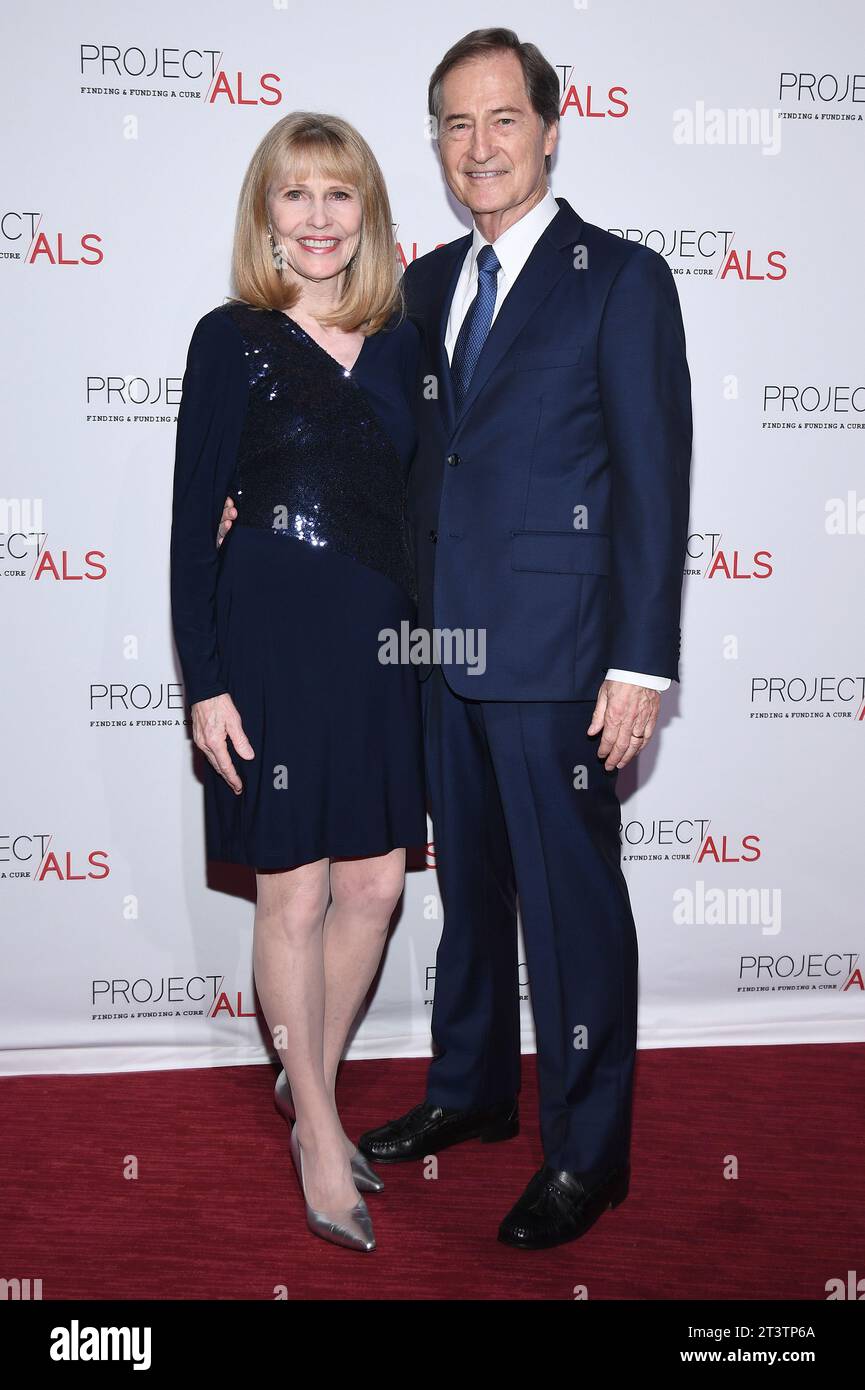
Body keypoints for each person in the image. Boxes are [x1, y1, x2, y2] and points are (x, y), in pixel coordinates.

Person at [217, 30, 692, 1251]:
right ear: (435, 144)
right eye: (454, 125)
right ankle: (472, 1087)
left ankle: (589, 1155)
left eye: (502, 120)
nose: (479, 146)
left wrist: (639, 661)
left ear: (548, 126)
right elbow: (372, 451)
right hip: (429, 654)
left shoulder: (618, 278)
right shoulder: (419, 291)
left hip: (564, 660)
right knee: (469, 897)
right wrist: (250, 496)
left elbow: (652, 479)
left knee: (571, 910)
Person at [169, 111, 427, 1253]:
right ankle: (318, 1131)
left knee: (374, 886)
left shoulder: (408, 340)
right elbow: (190, 527)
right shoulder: (230, 339)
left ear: (366, 212)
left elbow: (435, 501)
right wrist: (206, 681)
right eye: (295, 196)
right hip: (269, 640)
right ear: (265, 216)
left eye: (338, 195)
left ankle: (305, 1080)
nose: (318, 219)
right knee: (296, 892)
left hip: (381, 646)